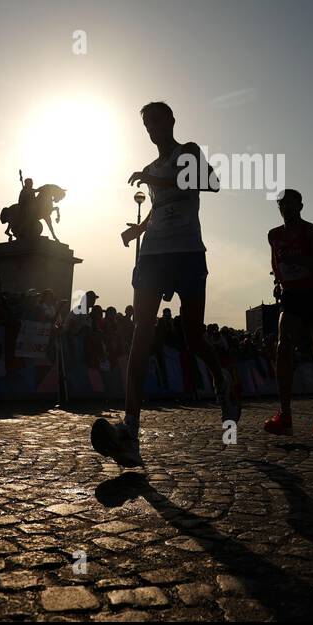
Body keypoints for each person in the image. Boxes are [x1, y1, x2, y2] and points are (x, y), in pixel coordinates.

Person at [91, 100, 237, 468]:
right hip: (154, 254)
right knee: (141, 334)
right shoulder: (151, 168)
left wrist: (156, 180)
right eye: (147, 123)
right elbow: (158, 206)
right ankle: (130, 433)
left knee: (192, 335)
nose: (152, 127)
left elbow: (211, 183)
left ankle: (222, 380)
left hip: (187, 251)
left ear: (172, 120)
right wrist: (137, 229)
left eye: (157, 120)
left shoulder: (186, 152)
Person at [262, 189, 313, 438]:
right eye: (282, 204)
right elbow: (275, 262)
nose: (286, 208)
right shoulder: (273, 235)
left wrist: (301, 261)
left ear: (301, 206)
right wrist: (278, 280)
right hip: (291, 295)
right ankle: (285, 414)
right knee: (283, 347)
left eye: (291, 204)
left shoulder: (311, 230)